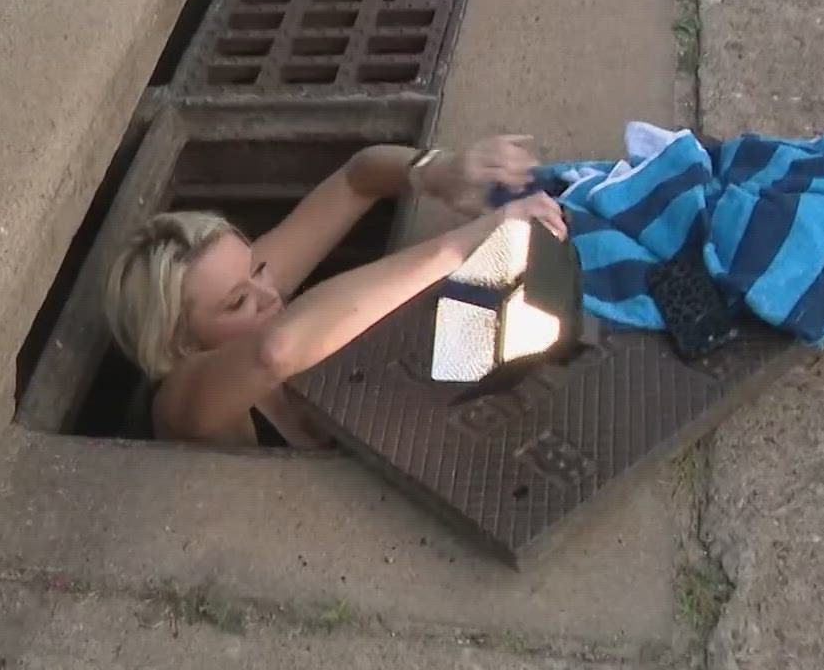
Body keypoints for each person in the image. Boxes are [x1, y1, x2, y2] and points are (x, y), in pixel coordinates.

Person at [103, 136, 568, 447]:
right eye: (237, 302)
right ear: (183, 343)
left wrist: (437, 171)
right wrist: (460, 247)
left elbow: (357, 177)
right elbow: (278, 350)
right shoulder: (182, 400)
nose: (269, 292)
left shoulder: (250, 291)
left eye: (257, 269)